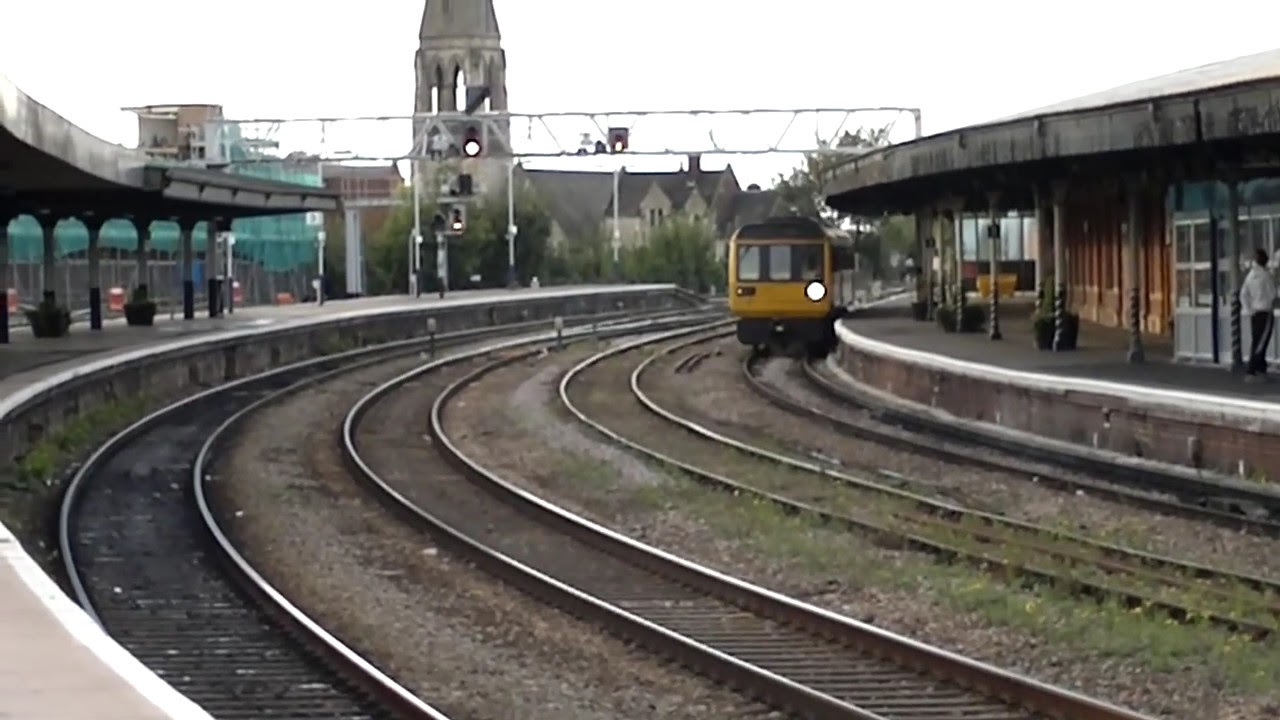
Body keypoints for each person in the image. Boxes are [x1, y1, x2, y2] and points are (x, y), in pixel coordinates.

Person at [1240, 248, 1278, 380]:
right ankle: (1252, 369)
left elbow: (1243, 294)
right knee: (1261, 342)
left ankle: (1261, 367)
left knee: (1256, 339)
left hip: (1255, 313)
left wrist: (1249, 310)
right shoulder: (1266, 276)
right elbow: (1273, 294)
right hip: (1266, 312)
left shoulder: (1250, 276)